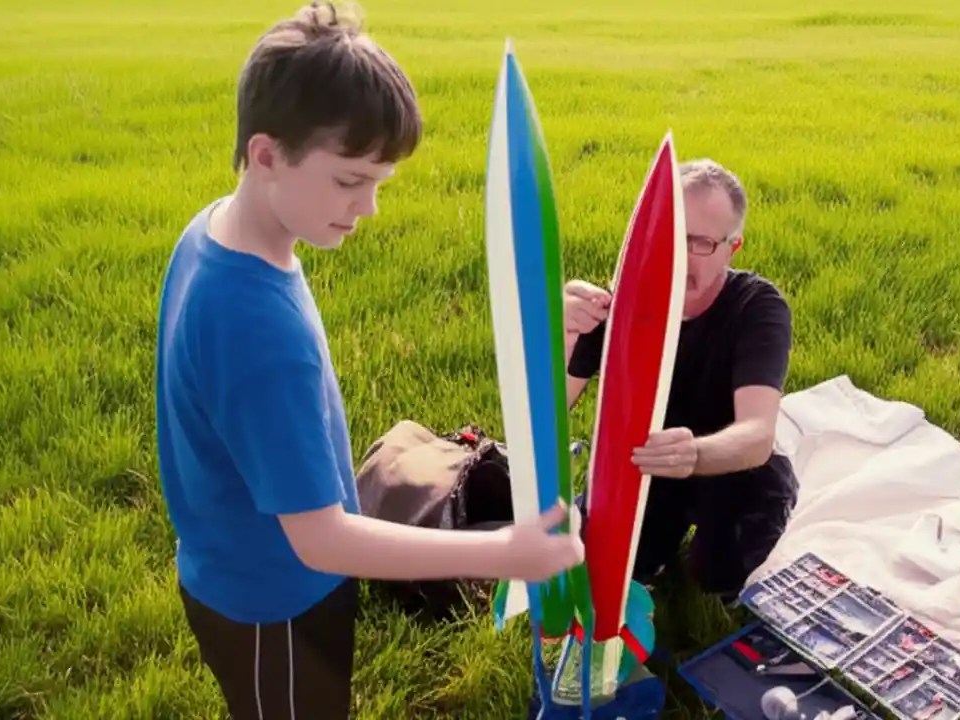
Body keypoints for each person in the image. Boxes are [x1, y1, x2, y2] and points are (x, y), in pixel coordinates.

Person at [154, 4, 583, 718]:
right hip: (273, 601)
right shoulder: (258, 325)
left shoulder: (217, 232)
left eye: (378, 182)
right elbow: (322, 540)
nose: (370, 208)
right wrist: (503, 551)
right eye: (351, 181)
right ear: (267, 154)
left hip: (237, 564)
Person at [564, 158, 796, 601]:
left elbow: (756, 435)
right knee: (611, 568)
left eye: (702, 243)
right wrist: (564, 332)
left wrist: (693, 454)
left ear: (733, 248)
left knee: (719, 579)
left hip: (732, 469)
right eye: (671, 236)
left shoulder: (757, 307)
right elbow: (552, 411)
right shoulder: (619, 304)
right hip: (646, 467)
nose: (680, 254)